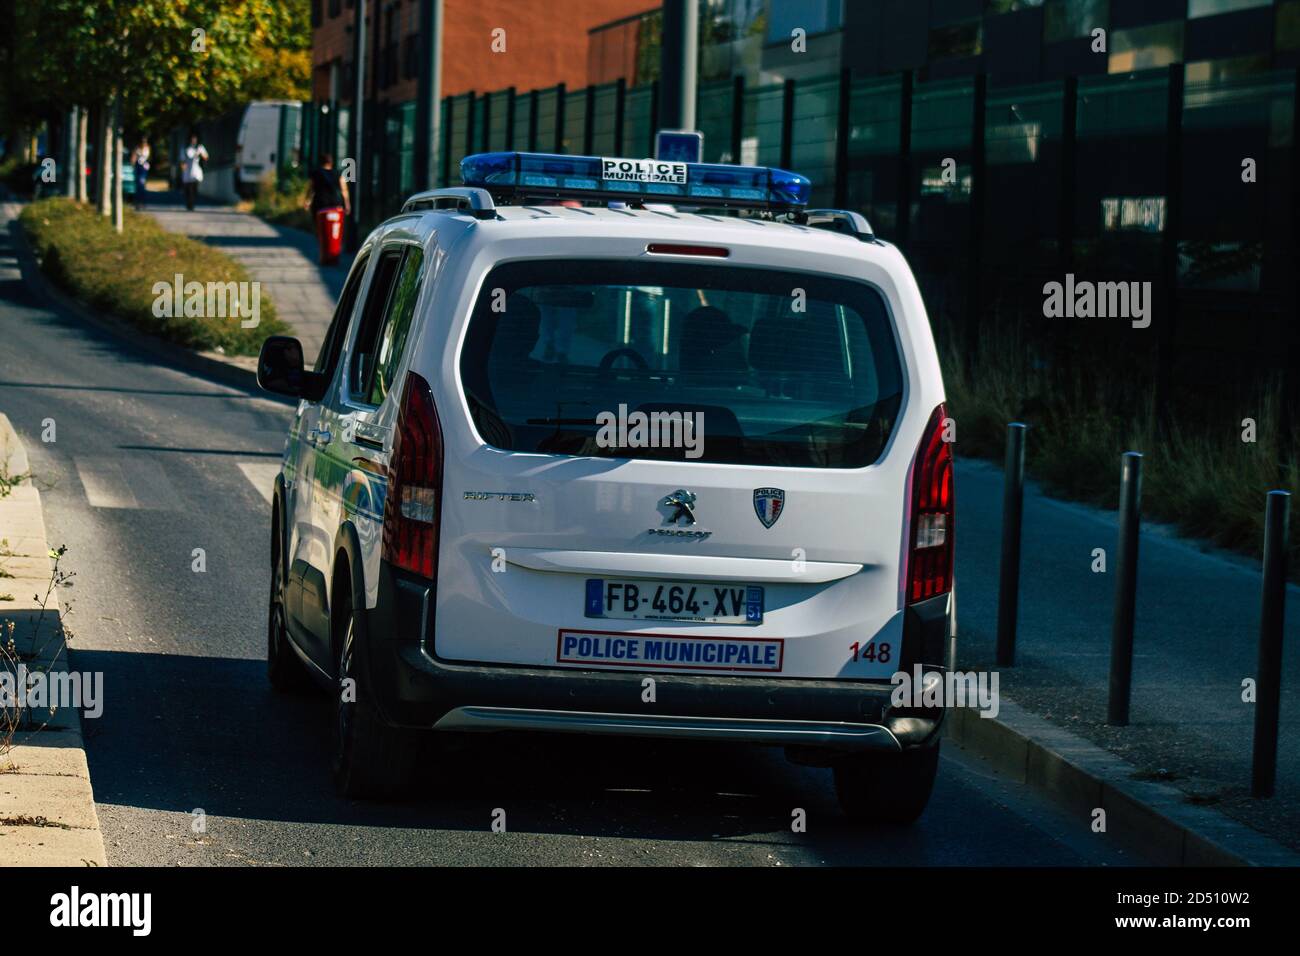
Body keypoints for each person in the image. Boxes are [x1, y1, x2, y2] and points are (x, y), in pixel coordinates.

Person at [303, 153, 350, 218]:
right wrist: (347, 204)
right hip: (335, 204)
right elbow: (344, 190)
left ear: (320, 162)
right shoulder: (338, 174)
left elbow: (311, 189)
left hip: (320, 204)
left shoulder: (316, 174)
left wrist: (307, 201)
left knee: (320, 224)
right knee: (334, 225)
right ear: (331, 163)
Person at [181, 133, 208, 211]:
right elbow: (182, 161)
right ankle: (189, 204)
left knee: (194, 189)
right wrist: (183, 168)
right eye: (192, 139)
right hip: (187, 172)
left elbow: (206, 157)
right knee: (188, 190)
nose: (193, 140)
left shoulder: (200, 147)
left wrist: (200, 154)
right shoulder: (186, 148)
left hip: (196, 172)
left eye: (195, 138)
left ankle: (192, 204)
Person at [129, 137, 150, 209]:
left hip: (143, 168)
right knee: (138, 186)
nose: (143, 143)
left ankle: (142, 202)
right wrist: (133, 163)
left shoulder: (146, 149)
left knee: (141, 185)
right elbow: (133, 158)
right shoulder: (137, 149)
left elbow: (145, 159)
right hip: (138, 168)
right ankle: (137, 202)